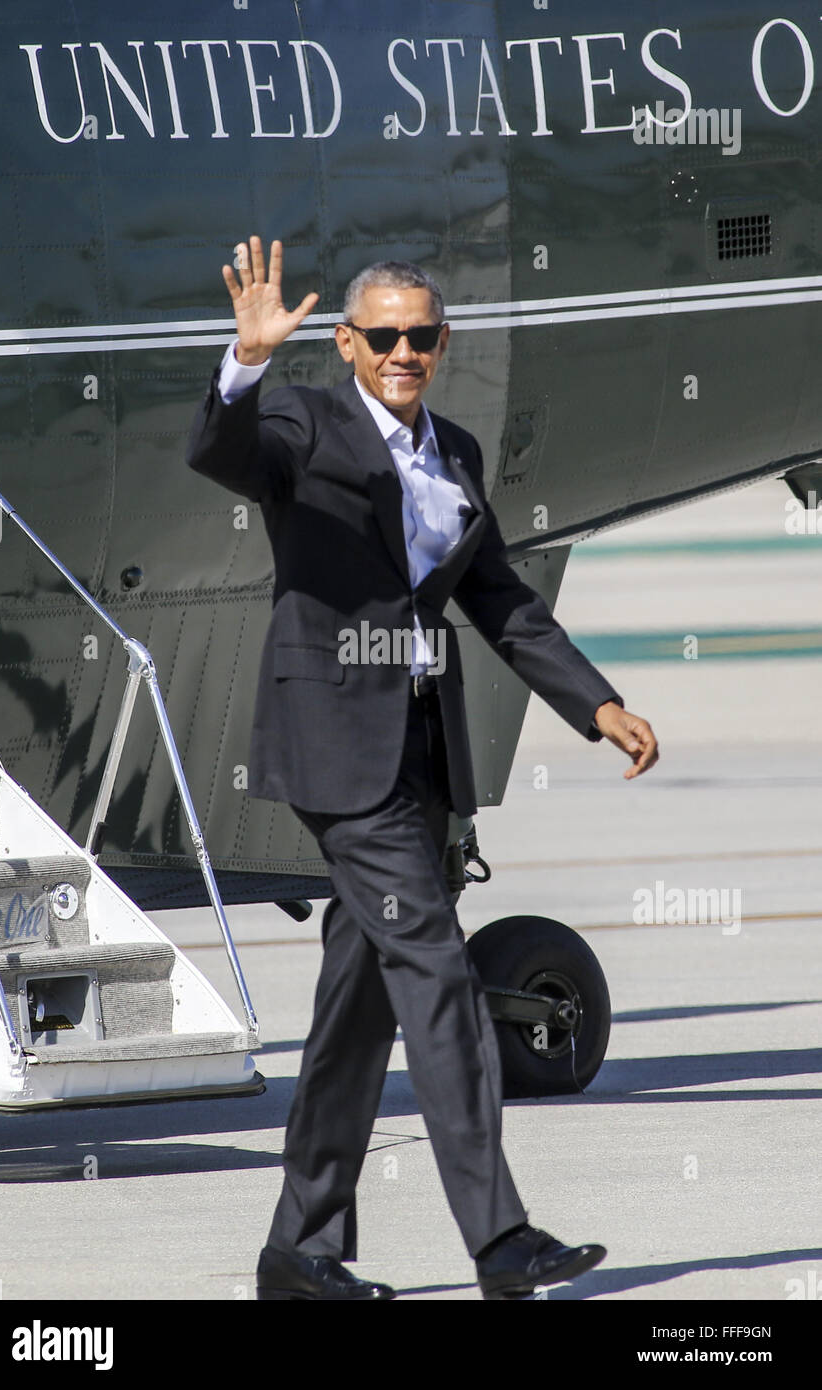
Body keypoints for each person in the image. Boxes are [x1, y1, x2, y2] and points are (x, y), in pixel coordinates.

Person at [186, 237, 659, 1301]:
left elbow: (498, 597)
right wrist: (246, 362)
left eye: (423, 336)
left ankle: (298, 1251)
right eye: (385, 336)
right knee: (440, 981)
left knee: (356, 1012)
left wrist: (595, 704)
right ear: (348, 343)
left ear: (442, 344)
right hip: (334, 751)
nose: (405, 351)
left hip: (419, 755)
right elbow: (223, 452)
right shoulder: (304, 424)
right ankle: (500, 1240)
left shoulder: (454, 451)